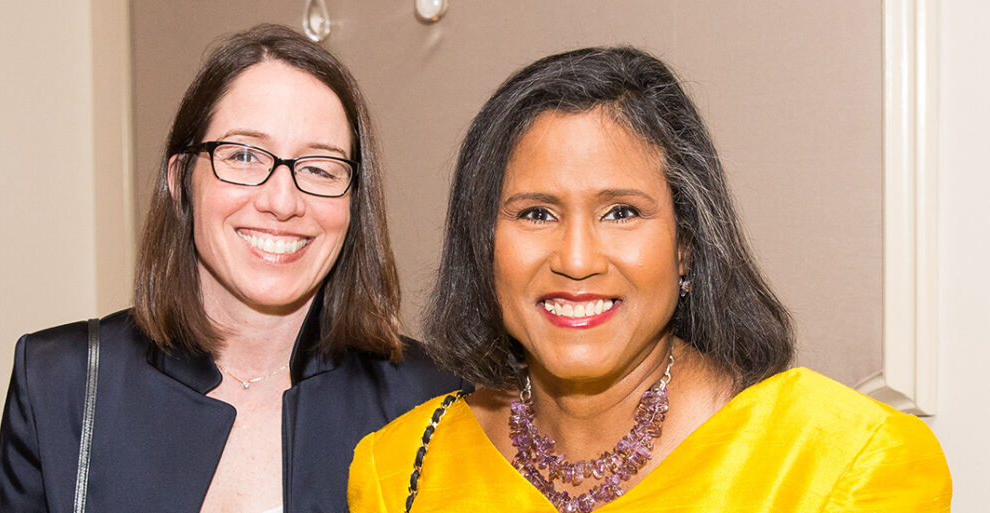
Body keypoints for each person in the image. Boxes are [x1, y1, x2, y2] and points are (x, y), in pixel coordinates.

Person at [347, 47, 951, 512]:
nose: (577, 259)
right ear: (483, 247)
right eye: (536, 213)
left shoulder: (843, 461)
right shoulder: (398, 470)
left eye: (621, 212)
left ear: (686, 244)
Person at [0, 24, 464, 513]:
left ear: (353, 204)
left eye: (320, 167)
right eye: (241, 156)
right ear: (180, 181)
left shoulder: (438, 401)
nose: (283, 201)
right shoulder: (57, 380)